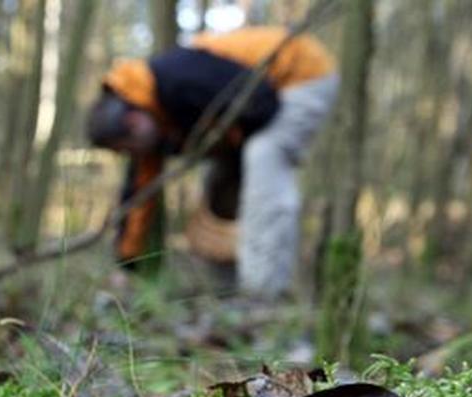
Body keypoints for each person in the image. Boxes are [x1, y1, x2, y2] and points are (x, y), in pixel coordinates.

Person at [87, 26, 338, 298]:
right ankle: (228, 290)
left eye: (128, 147)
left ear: (133, 122)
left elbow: (262, 102)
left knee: (263, 158)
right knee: (220, 181)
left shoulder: (181, 78)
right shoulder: (151, 113)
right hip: (256, 108)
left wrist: (224, 138)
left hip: (299, 75)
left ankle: (264, 294)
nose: (133, 154)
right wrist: (128, 263)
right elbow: (138, 196)